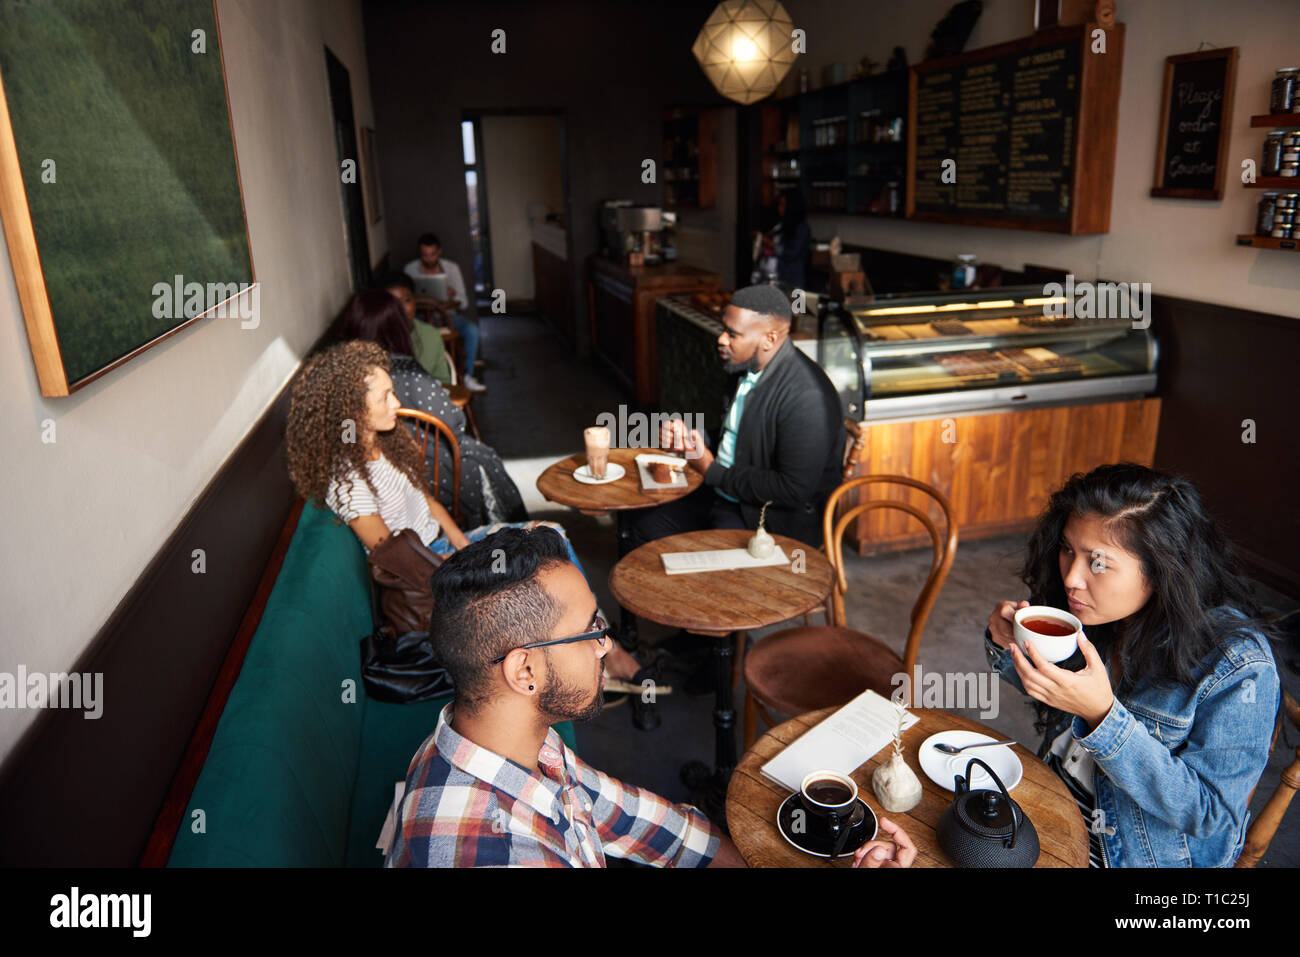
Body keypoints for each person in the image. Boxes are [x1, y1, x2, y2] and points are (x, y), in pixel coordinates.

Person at [384, 526, 749, 868]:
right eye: (589, 631)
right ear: (524, 671)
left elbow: (629, 818)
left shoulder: (509, 739)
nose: (604, 646)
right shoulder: (502, 855)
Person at [285, 341, 643, 681]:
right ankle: (601, 650)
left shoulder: (382, 444)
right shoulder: (348, 483)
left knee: (552, 536)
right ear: (351, 411)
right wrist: (467, 565)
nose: (396, 403)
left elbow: (428, 502)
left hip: (445, 549)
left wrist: (462, 542)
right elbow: (397, 560)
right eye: (385, 397)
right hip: (431, 572)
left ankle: (596, 647)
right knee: (549, 549)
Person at [983, 464, 1281, 867]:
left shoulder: (1239, 666)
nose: (1071, 577)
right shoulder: (1100, 616)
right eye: (1068, 548)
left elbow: (1212, 815)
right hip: (1047, 804)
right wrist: (1006, 645)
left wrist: (1103, 718)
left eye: (1098, 562)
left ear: (1161, 568)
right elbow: (1054, 691)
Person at [630, 284, 843, 550]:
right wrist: (693, 440)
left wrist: (710, 468)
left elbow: (793, 489)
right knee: (641, 520)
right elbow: (738, 433)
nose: (721, 339)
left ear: (770, 339)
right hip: (726, 491)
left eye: (733, 334)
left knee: (713, 560)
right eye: (724, 329)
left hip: (770, 519)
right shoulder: (746, 367)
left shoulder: (806, 397)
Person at [335, 289, 526, 528]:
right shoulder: (406, 371)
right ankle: (511, 535)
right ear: (397, 327)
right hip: (428, 468)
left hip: (384, 470)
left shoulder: (346, 377)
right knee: (484, 459)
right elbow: (451, 421)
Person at [404, 232, 484, 392]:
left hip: (448, 317)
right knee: (417, 335)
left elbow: (464, 303)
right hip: (420, 319)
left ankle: (467, 375)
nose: (429, 259)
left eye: (432, 254)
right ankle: (421, 380)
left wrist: (452, 294)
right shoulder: (410, 269)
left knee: (473, 331)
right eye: (424, 255)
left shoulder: (452, 269)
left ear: (439, 252)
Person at [381, 271, 453, 386]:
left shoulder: (430, 335)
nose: (401, 309)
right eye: (393, 303)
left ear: (415, 301)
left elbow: (444, 382)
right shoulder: (376, 337)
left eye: (406, 300)